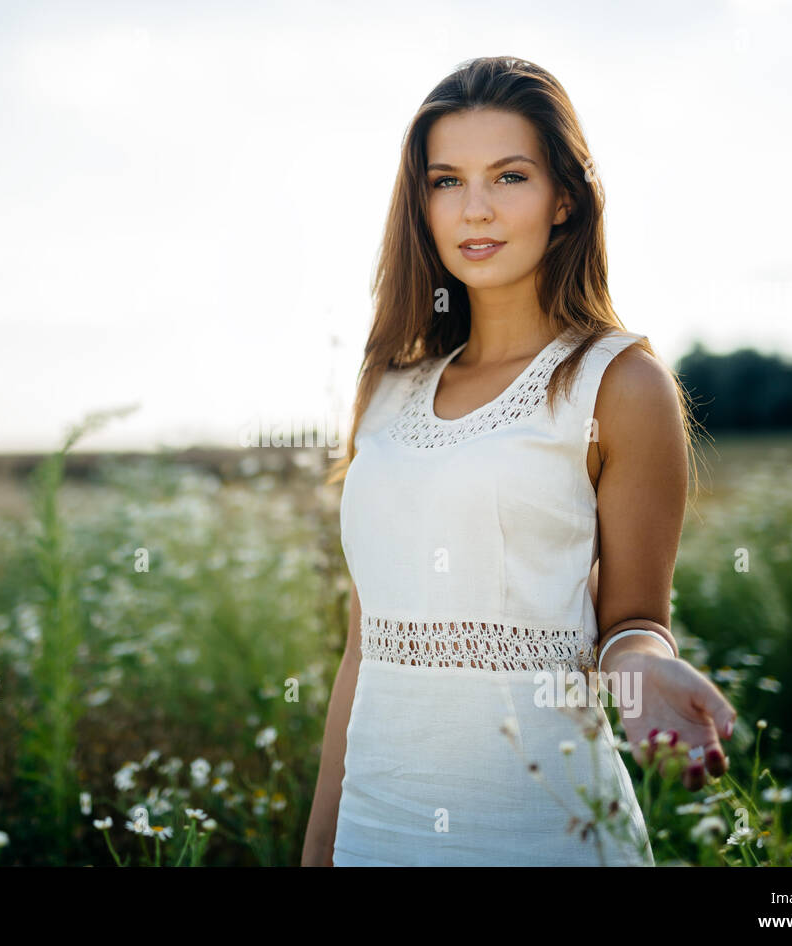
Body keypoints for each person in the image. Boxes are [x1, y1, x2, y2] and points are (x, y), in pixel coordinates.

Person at [302, 56, 738, 867]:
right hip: (377, 829)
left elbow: (634, 621)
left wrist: (643, 678)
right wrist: (322, 846)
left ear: (563, 197)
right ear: (420, 203)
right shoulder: (386, 387)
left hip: (546, 831)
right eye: (446, 181)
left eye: (508, 176)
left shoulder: (619, 382)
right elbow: (364, 648)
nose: (475, 208)